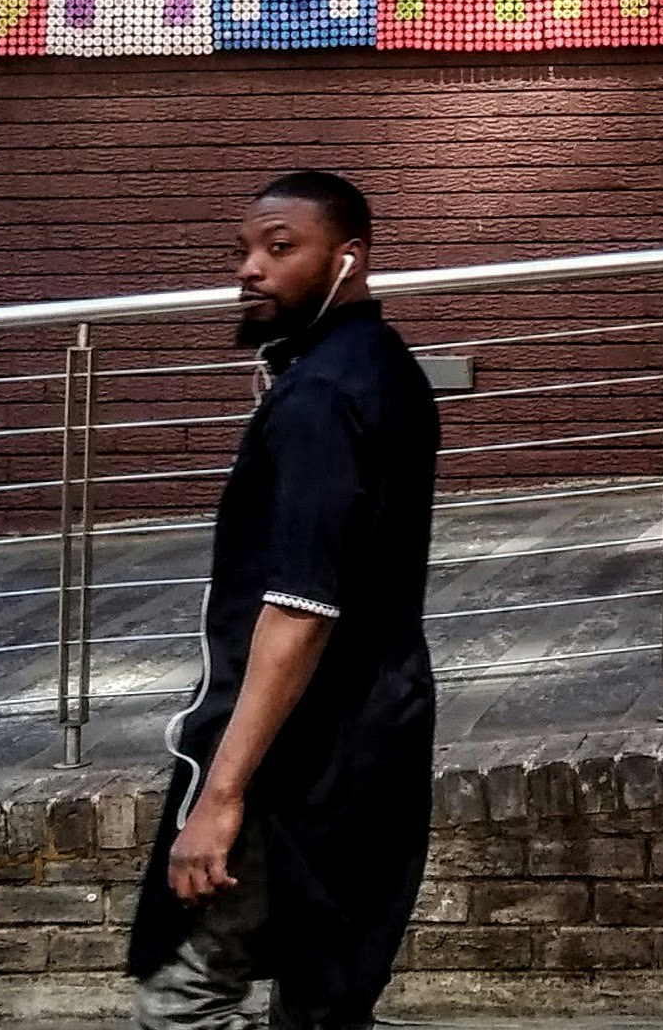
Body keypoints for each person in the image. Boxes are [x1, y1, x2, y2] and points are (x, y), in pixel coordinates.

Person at [127, 171, 439, 1030]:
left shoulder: (323, 398)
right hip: (372, 730)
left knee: (182, 1001)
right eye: (245, 251)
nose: (251, 270)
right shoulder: (384, 369)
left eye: (279, 247)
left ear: (349, 257)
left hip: (298, 752)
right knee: (326, 1001)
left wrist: (221, 796)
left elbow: (300, 608)